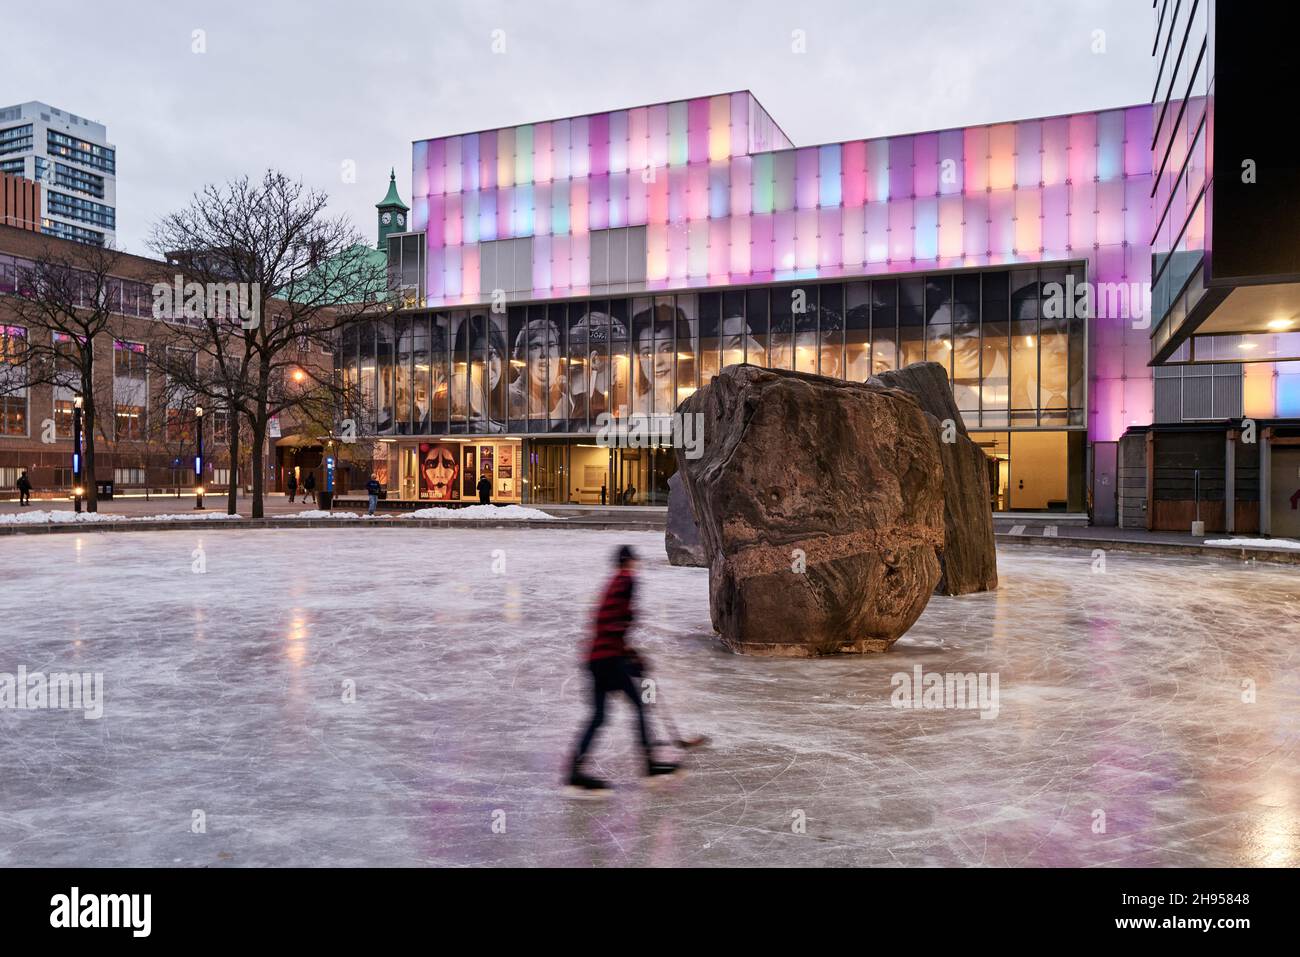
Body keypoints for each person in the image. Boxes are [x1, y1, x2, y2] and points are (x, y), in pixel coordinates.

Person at [567, 545, 678, 794]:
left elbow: (607, 621)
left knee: (598, 716)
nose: (636, 566)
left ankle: (575, 770)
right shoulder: (626, 581)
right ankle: (649, 765)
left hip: (596, 658)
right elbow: (617, 622)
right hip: (607, 658)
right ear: (627, 562)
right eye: (634, 562)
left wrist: (628, 652)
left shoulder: (612, 584)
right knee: (638, 706)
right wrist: (627, 653)